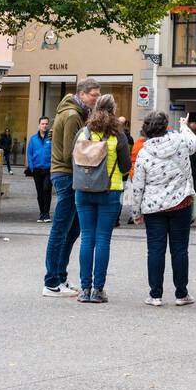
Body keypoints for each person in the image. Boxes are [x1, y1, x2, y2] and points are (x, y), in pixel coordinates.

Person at [130, 111, 196, 307]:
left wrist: (136, 212)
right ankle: (181, 293)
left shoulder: (144, 153)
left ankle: (155, 294)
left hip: (154, 208)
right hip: (180, 204)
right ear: (166, 125)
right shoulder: (181, 142)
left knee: (155, 250)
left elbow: (138, 186)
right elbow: (195, 143)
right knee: (179, 250)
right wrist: (185, 126)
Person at [43, 78, 101, 297]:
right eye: (94, 94)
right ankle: (51, 282)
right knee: (61, 228)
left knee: (72, 229)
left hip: (66, 174)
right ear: (83, 93)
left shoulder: (73, 112)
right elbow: (71, 152)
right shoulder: (72, 115)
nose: (96, 99)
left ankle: (60, 277)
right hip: (67, 175)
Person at [72, 94, 131, 304]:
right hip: (110, 190)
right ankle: (98, 290)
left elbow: (75, 159)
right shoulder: (118, 135)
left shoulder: (83, 132)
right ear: (114, 110)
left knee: (87, 238)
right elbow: (125, 167)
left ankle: (84, 288)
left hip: (84, 189)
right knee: (103, 239)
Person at [27, 117, 53, 222]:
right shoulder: (33, 139)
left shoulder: (51, 138)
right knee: (40, 193)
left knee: (47, 190)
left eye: (46, 124)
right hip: (37, 170)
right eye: (43, 124)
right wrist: (32, 167)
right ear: (39, 125)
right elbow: (29, 153)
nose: (45, 125)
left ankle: (46, 214)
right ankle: (42, 213)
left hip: (48, 169)